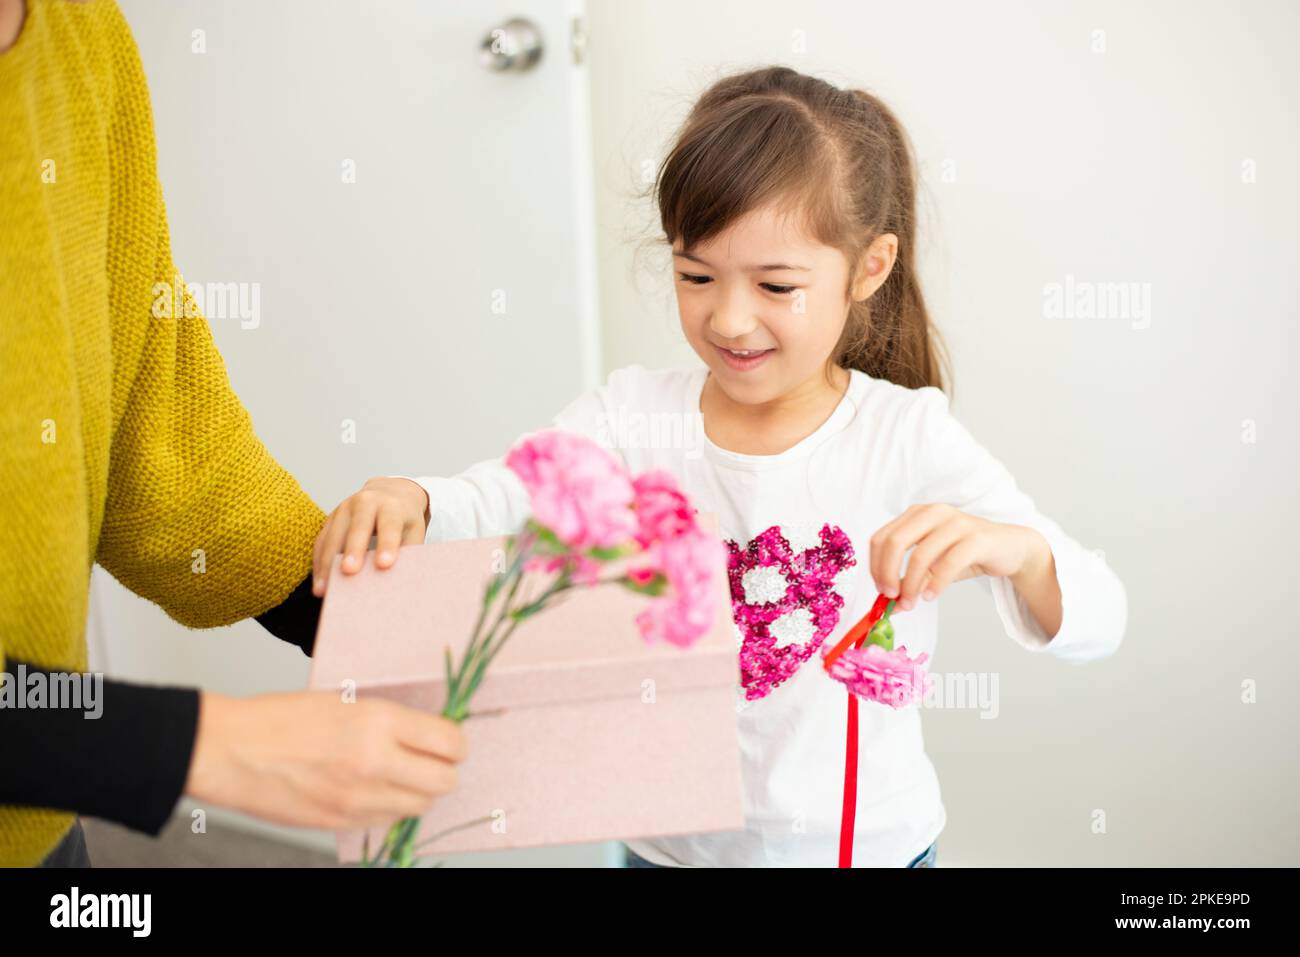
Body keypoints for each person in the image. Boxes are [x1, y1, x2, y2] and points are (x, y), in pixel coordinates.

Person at [314, 66, 1127, 867]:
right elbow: (512, 495)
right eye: (695, 276)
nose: (730, 319)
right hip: (666, 853)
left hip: (873, 851)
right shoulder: (634, 417)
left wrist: (1017, 551)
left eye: (777, 285)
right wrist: (419, 500)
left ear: (868, 268)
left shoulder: (906, 437)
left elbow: (1100, 619)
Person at [0, 0, 464, 868]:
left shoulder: (80, 35)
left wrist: (346, 613)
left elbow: (154, 411)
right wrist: (202, 745)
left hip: (36, 804)